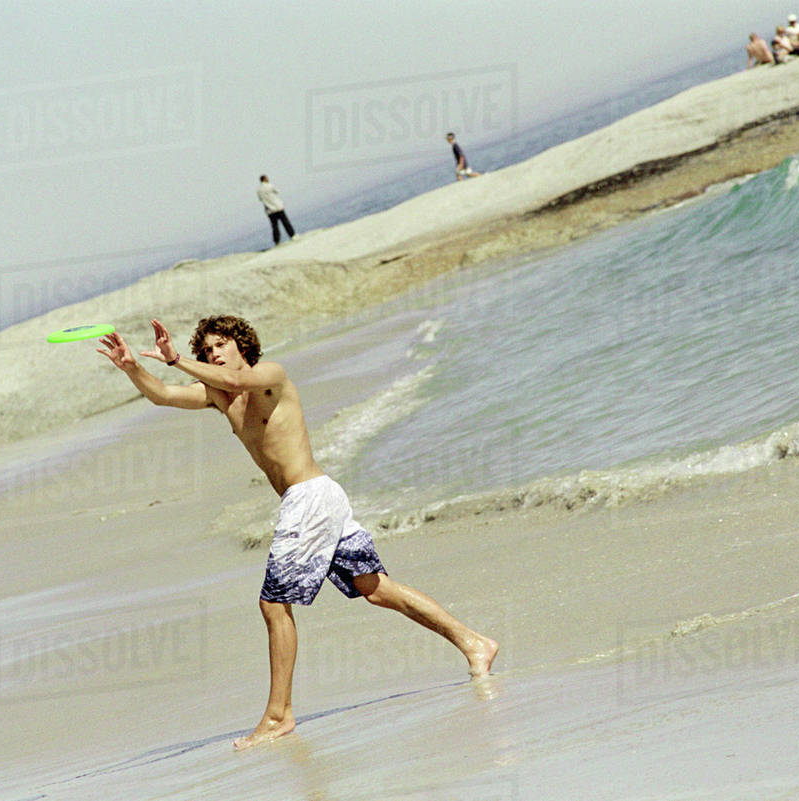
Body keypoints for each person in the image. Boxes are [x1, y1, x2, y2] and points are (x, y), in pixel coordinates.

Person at [96, 316, 499, 751]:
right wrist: (131, 367)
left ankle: (278, 715)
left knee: (273, 604)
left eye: (221, 344)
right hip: (319, 500)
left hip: (309, 498)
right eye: (207, 348)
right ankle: (475, 643)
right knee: (375, 589)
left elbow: (235, 377)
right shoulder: (220, 396)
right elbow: (165, 396)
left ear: (242, 345)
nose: (213, 353)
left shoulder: (270, 376)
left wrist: (177, 359)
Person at [257, 175, 296, 247]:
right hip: (277, 207)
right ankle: (292, 235)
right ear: (265, 179)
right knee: (285, 222)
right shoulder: (269, 186)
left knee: (275, 226)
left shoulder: (259, 190)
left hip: (269, 210)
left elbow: (260, 199)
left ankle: (276, 241)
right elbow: (277, 191)